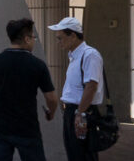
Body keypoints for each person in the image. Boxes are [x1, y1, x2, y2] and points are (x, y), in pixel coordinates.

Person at [0, 17, 57, 160]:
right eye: (33, 38)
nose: (34, 41)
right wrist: (51, 112)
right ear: (27, 39)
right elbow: (51, 98)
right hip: (27, 128)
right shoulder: (37, 65)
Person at [49, 16, 104, 159]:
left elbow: (91, 86)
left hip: (83, 112)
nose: (58, 42)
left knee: (83, 154)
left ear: (73, 36)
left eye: (60, 38)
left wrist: (80, 113)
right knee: (74, 153)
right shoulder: (74, 56)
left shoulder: (89, 55)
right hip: (73, 111)